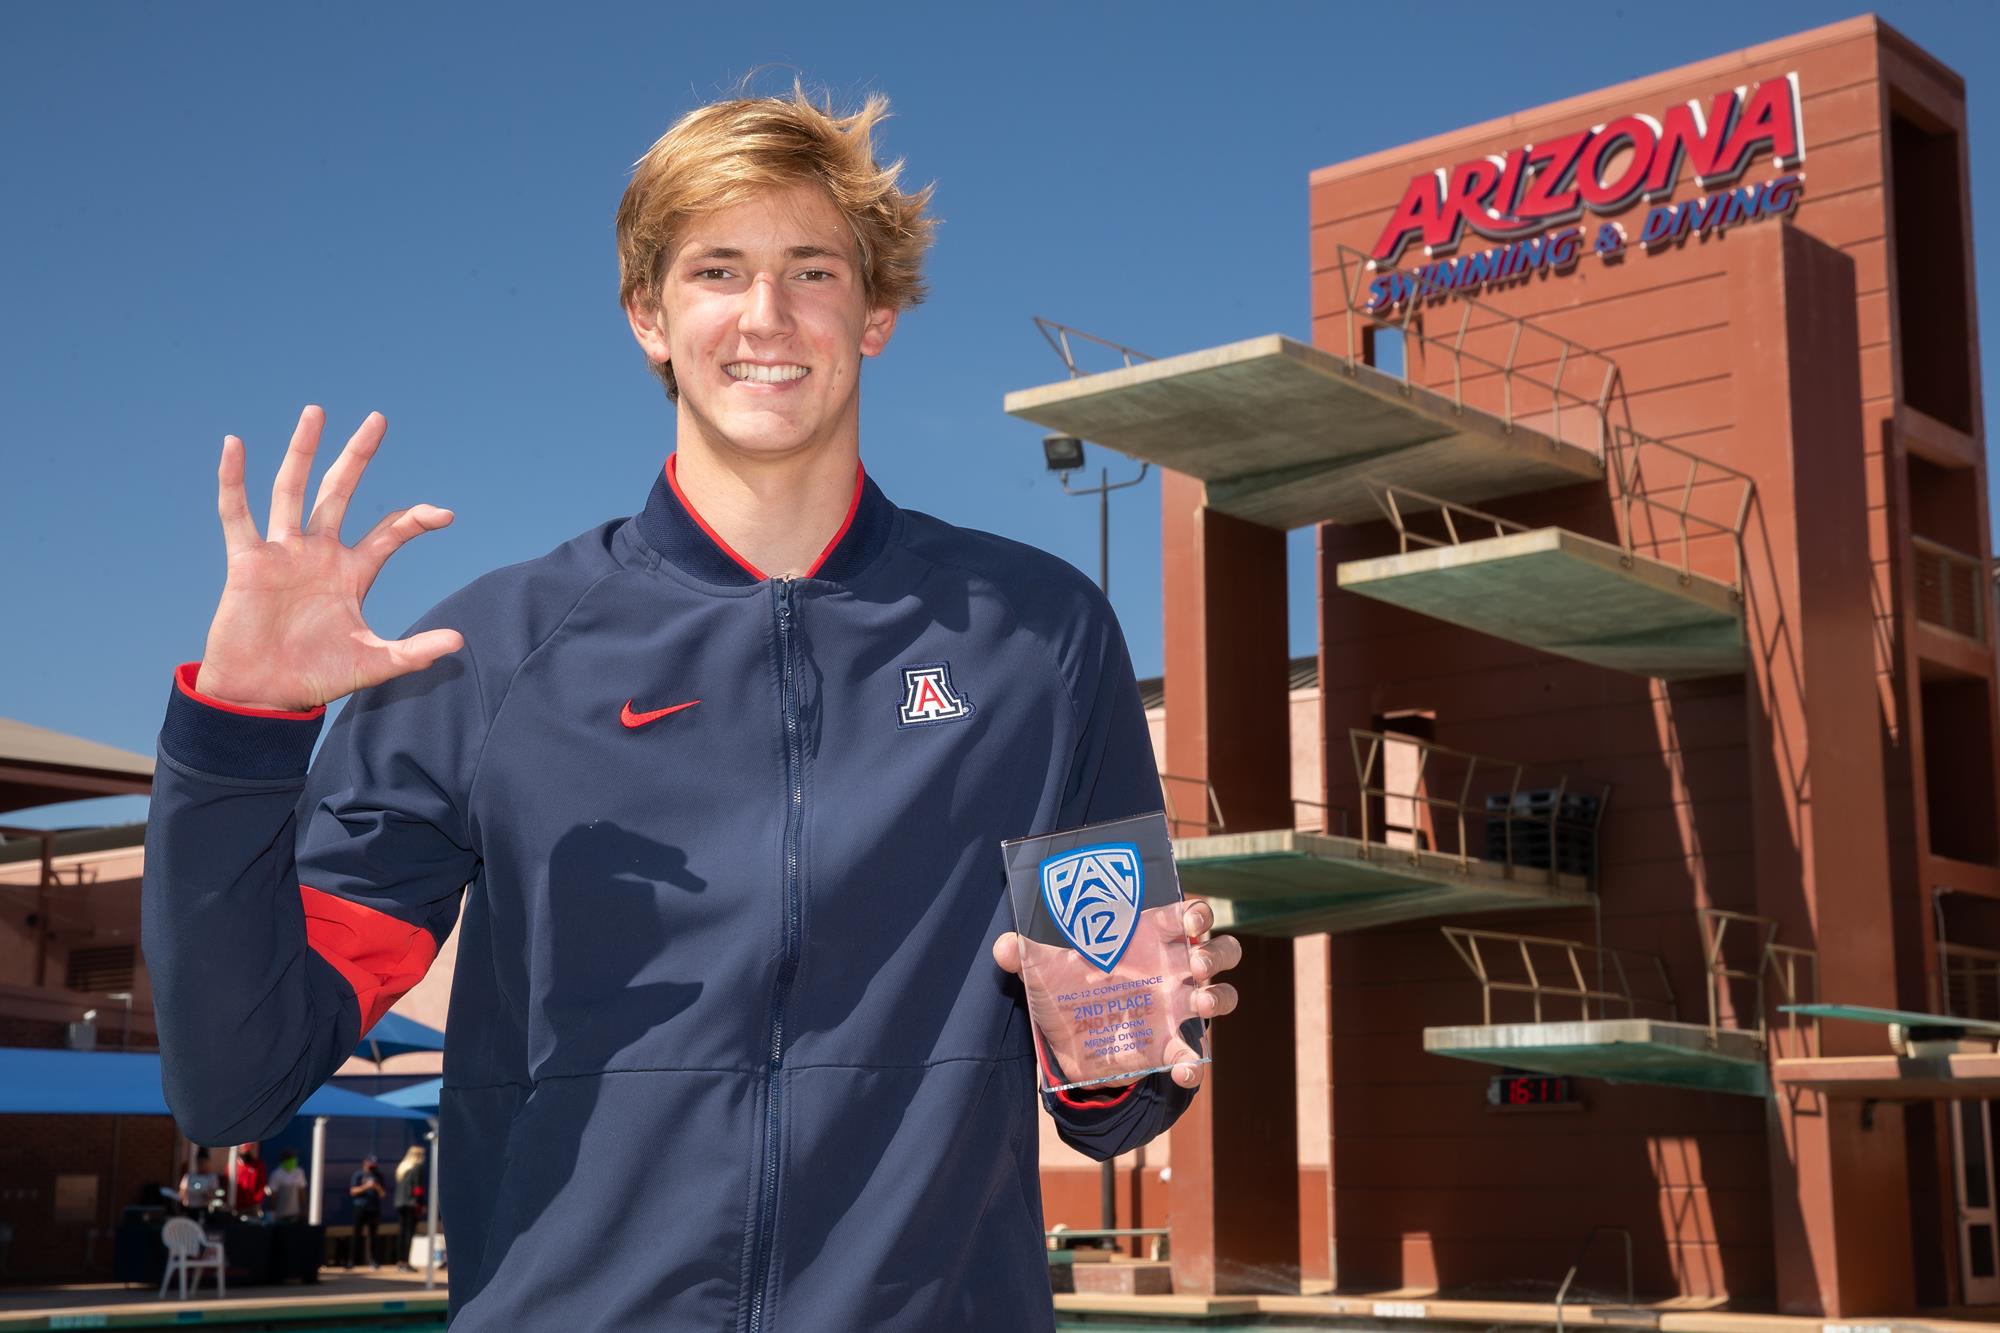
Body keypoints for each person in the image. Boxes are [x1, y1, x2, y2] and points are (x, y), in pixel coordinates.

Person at [140, 84, 1244, 1331]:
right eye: (716, 270)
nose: (766, 314)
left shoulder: (1035, 636)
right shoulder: (478, 659)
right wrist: (239, 732)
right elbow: (236, 1079)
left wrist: (1136, 1033)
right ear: (648, 316)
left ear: (874, 313)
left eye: (811, 270)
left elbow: (1115, 1086)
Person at [347, 1155, 387, 1269]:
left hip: (373, 1208)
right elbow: (353, 1191)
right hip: (360, 1207)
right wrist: (366, 1186)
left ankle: (374, 1261)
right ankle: (351, 1261)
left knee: (374, 1235)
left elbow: (383, 1194)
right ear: (365, 1163)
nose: (372, 1168)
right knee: (356, 1233)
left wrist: (376, 1187)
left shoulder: (378, 1175)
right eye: (370, 1165)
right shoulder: (358, 1174)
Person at [393, 1145, 426, 1270]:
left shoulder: (403, 1168)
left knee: (402, 1233)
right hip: (411, 1204)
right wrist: (421, 1204)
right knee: (408, 1233)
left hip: (399, 1203)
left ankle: (400, 1261)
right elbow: (418, 1189)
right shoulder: (417, 1167)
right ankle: (405, 1262)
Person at [268, 1149, 308, 1223]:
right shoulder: (276, 1174)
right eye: (289, 1159)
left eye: (293, 1159)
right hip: (280, 1215)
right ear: (283, 1160)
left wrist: (304, 1209)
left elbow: (302, 1193)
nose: (292, 1161)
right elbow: (273, 1196)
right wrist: (271, 1213)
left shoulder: (299, 1172)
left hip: (295, 1215)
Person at [176, 1149, 220, 1217]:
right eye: (200, 1162)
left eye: (203, 1163)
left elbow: (212, 1195)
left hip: (202, 1209)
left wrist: (205, 1193)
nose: (201, 1165)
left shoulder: (212, 1178)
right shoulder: (189, 1176)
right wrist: (185, 1194)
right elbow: (181, 1194)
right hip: (189, 1208)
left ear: (208, 1162)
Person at [232, 1141, 267, 1218]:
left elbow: (262, 1184)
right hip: (238, 1206)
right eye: (245, 1151)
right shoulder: (233, 1167)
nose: (247, 1153)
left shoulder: (258, 1165)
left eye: (248, 1151)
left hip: (253, 1205)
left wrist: (257, 1200)